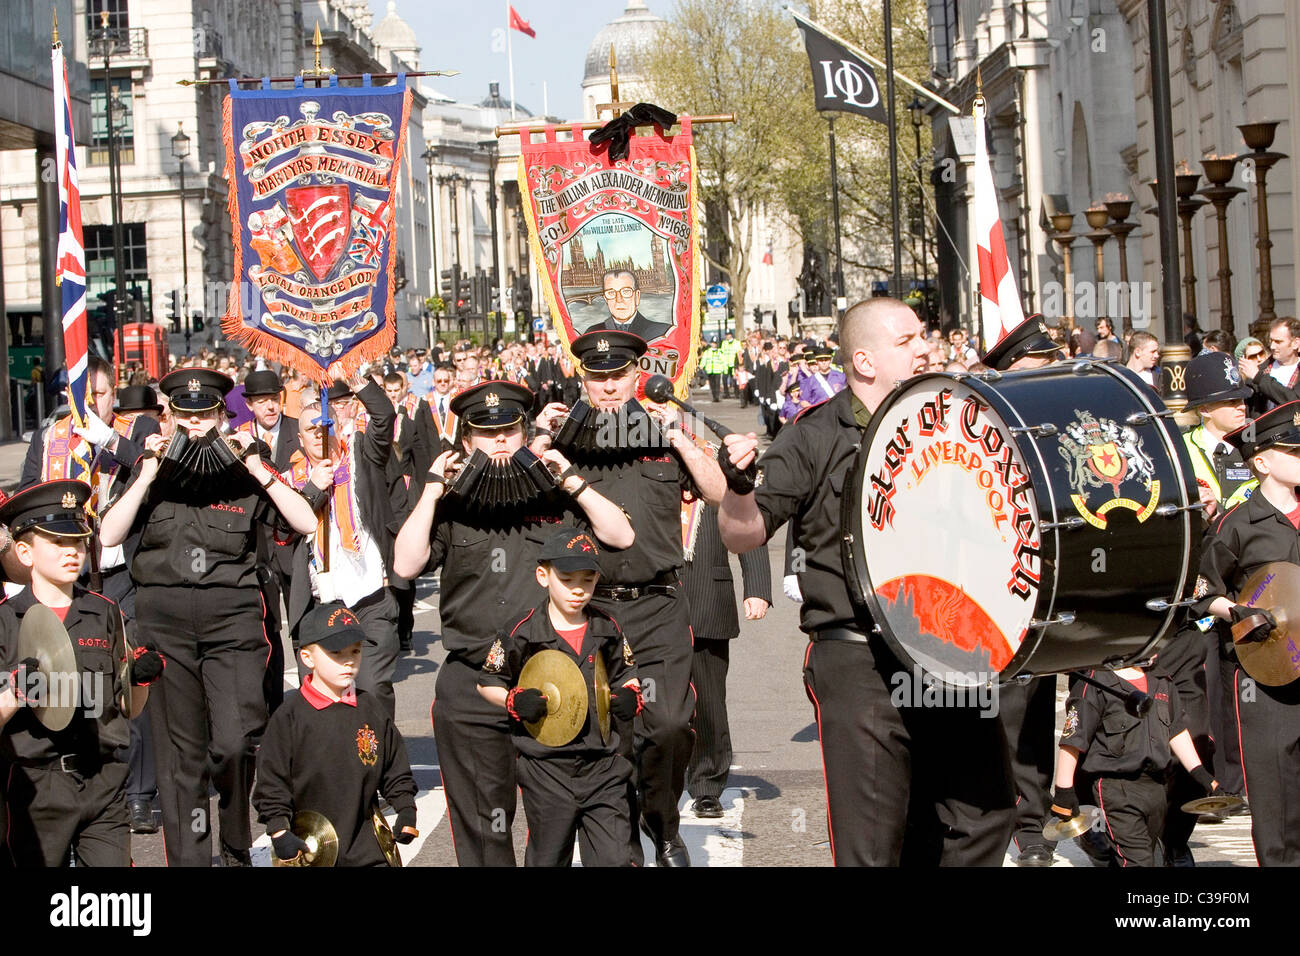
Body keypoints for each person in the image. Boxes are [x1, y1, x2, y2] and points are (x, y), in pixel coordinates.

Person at [719, 297, 1016, 866]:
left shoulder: (965, 420)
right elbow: (745, 533)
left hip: (952, 645)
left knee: (986, 813)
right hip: (861, 658)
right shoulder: (814, 434)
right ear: (864, 361)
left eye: (923, 336)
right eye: (906, 342)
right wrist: (736, 486)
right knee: (874, 843)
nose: (925, 348)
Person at [392, 380, 634, 866]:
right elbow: (405, 565)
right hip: (474, 675)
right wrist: (432, 492)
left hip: (557, 676)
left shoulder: (554, 491)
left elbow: (620, 535)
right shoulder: (451, 502)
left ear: (525, 433)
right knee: (485, 826)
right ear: (466, 443)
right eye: (486, 432)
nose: (500, 440)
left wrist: (573, 482)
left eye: (510, 429)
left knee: (560, 822)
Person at [99, 366, 318, 867]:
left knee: (236, 742)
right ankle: (192, 860)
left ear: (223, 417)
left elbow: (304, 520)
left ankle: (236, 840)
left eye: (207, 417)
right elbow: (108, 536)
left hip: (233, 621)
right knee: (182, 757)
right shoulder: (151, 468)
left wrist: (259, 468)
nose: (196, 428)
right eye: (186, 418)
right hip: (165, 623)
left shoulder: (244, 467)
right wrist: (148, 472)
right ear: (170, 419)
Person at [534, 329, 725, 866]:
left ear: (638, 373)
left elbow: (716, 491)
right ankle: (618, 843)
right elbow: (513, 495)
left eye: (618, 374)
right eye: (598, 377)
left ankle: (663, 819)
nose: (609, 386)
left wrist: (683, 436)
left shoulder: (663, 429)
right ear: (583, 380)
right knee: (608, 733)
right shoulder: (566, 436)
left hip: (659, 603)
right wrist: (538, 441)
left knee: (666, 724)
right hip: (592, 609)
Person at [0, 480, 163, 866]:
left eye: (76, 542)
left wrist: (139, 680)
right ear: (24, 551)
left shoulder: (105, 612)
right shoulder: (6, 621)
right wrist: (15, 693)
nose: (72, 552)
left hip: (102, 780)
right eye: (57, 543)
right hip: (36, 786)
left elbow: (129, 709)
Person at [477, 529, 641, 866]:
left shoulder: (607, 626)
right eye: (566, 579)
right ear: (543, 576)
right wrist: (513, 700)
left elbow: (629, 674)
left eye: (588, 580)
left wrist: (629, 695)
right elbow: (487, 682)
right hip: (546, 769)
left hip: (604, 766)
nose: (578, 589)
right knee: (548, 858)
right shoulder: (521, 630)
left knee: (615, 858)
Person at [1189, 400, 1300, 865]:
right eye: (1295, 451)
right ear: (1262, 462)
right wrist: (1237, 610)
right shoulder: (1238, 525)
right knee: (1274, 784)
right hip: (1266, 669)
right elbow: (1200, 593)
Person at [978, 314, 1065, 866]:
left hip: (1048, 581)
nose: (1047, 375)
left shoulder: (1054, 421)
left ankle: (1030, 824)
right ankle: (998, 815)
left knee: (1036, 710)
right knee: (1003, 709)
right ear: (1011, 369)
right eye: (1037, 366)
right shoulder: (985, 420)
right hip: (997, 581)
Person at [1162, 352, 1256, 859]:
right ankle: (1196, 806)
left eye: (1242, 398)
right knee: (1201, 704)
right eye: (1229, 400)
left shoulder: (1254, 449)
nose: (1241, 408)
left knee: (1240, 699)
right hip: (1202, 598)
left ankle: (1236, 783)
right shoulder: (1183, 451)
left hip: (1254, 589)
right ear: (1203, 409)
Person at [279, 377, 407, 719]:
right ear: (300, 437)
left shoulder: (361, 455)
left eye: (326, 427)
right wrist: (312, 490)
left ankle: (379, 758)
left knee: (373, 689)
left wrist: (358, 378)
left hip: (371, 599)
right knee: (323, 702)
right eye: (311, 430)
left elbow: (383, 416)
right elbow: (279, 535)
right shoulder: (291, 480)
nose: (320, 435)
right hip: (322, 601)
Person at [254, 601, 418, 867]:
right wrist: (279, 831)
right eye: (336, 653)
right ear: (307, 657)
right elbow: (272, 783)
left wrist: (406, 809)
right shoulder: (289, 717)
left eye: (355, 651)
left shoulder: (371, 708)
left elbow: (394, 768)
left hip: (368, 848)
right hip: (310, 850)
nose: (349, 661)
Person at [1050, 664, 1220, 867]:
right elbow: (1073, 739)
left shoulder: (1162, 681)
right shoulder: (1096, 682)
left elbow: (1176, 730)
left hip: (1157, 788)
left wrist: (1201, 774)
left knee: (1151, 858)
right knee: (1136, 860)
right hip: (1117, 791)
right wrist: (1063, 790)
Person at [682, 497, 770, 817]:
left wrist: (757, 586)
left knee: (708, 701)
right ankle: (642, 776)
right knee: (645, 698)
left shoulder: (713, 465)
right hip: (653, 602)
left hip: (708, 597)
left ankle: (707, 785)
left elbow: (744, 521)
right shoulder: (647, 459)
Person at [1238, 316, 1300, 414]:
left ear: (1296, 343)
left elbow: (1295, 403)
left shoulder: (1257, 375)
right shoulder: (1259, 370)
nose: (1272, 346)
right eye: (1271, 341)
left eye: (1278, 342)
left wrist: (1259, 378)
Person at [599, 270, 671, 342]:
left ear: (637, 296)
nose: (619, 299)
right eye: (611, 293)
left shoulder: (664, 332)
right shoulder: (592, 333)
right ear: (605, 299)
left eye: (626, 291)